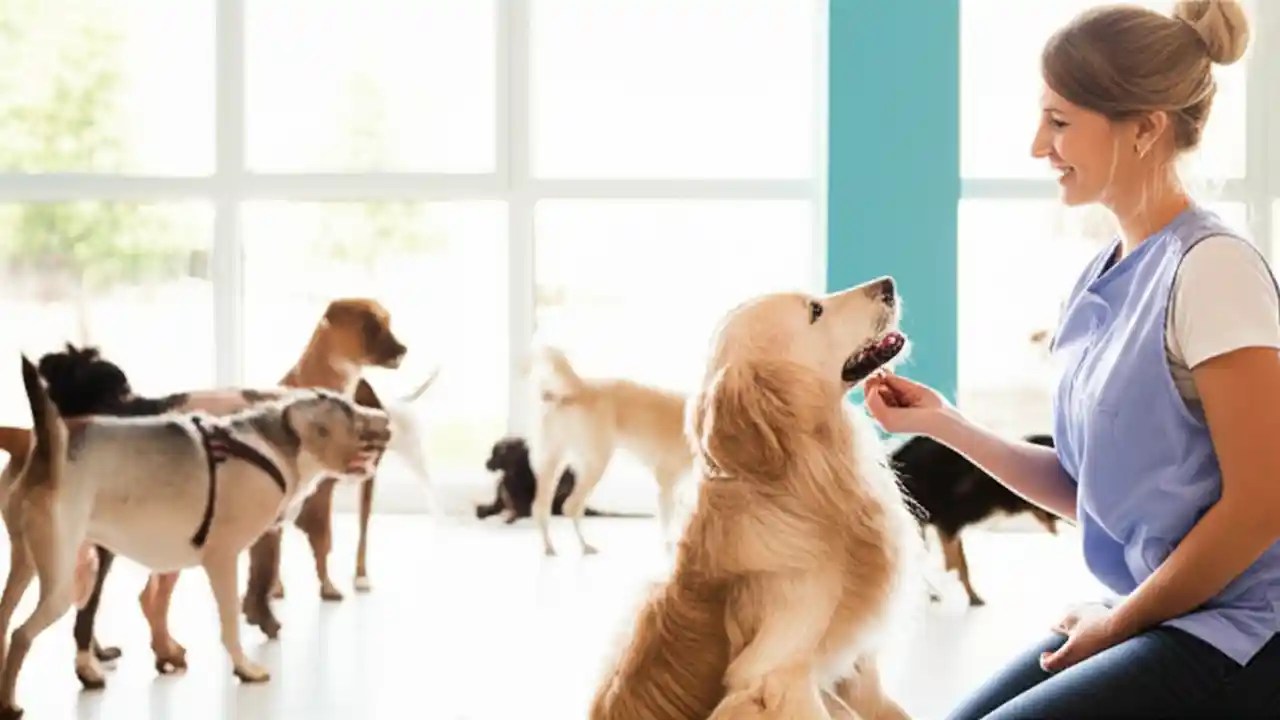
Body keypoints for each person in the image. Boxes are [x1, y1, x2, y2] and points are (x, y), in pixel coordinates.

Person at [865, 1, 1280, 717]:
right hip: (1160, 611)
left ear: (1146, 128)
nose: (1037, 145)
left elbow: (1262, 504)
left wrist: (1118, 627)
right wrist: (947, 425)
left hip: (1242, 631)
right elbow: (1092, 495)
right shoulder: (1102, 275)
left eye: (1060, 122)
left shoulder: (1214, 272)